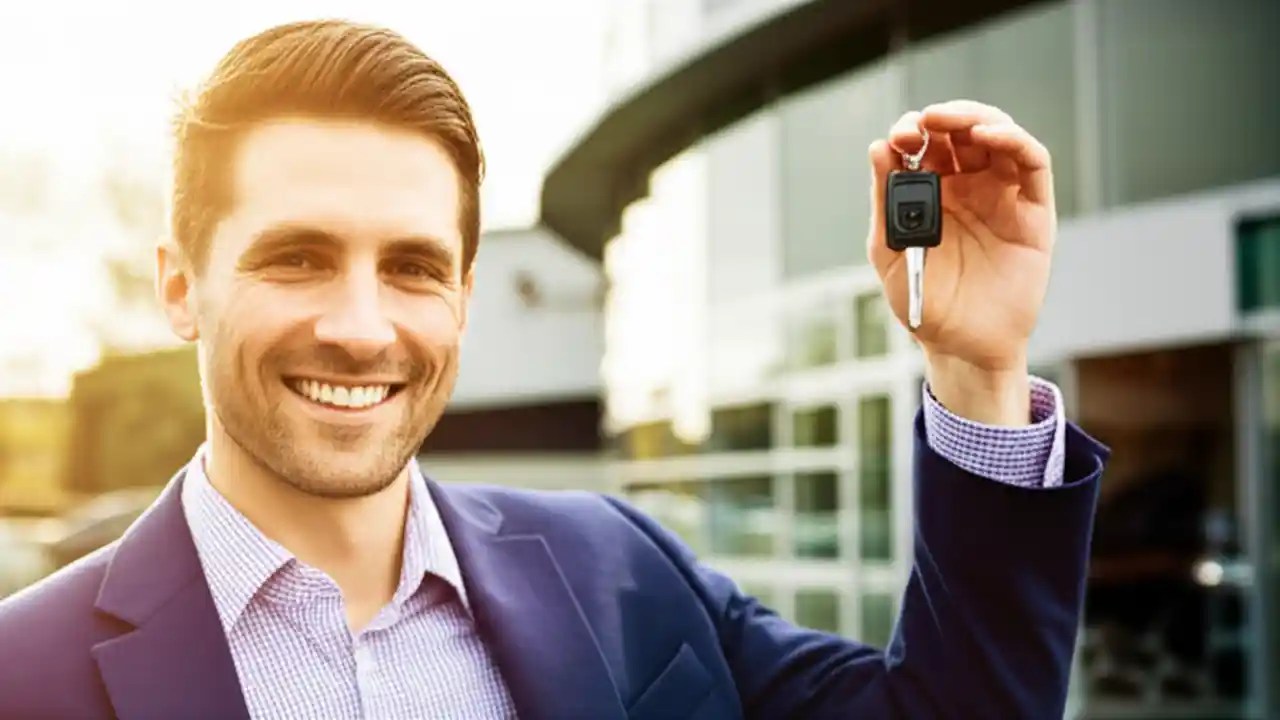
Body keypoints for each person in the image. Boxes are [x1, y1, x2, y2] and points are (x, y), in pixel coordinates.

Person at [0, 18, 1108, 720]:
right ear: (180, 286)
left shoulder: (617, 569)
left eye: (413, 267)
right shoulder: (24, 676)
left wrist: (976, 364)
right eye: (297, 258)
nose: (361, 327)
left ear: (465, 296)